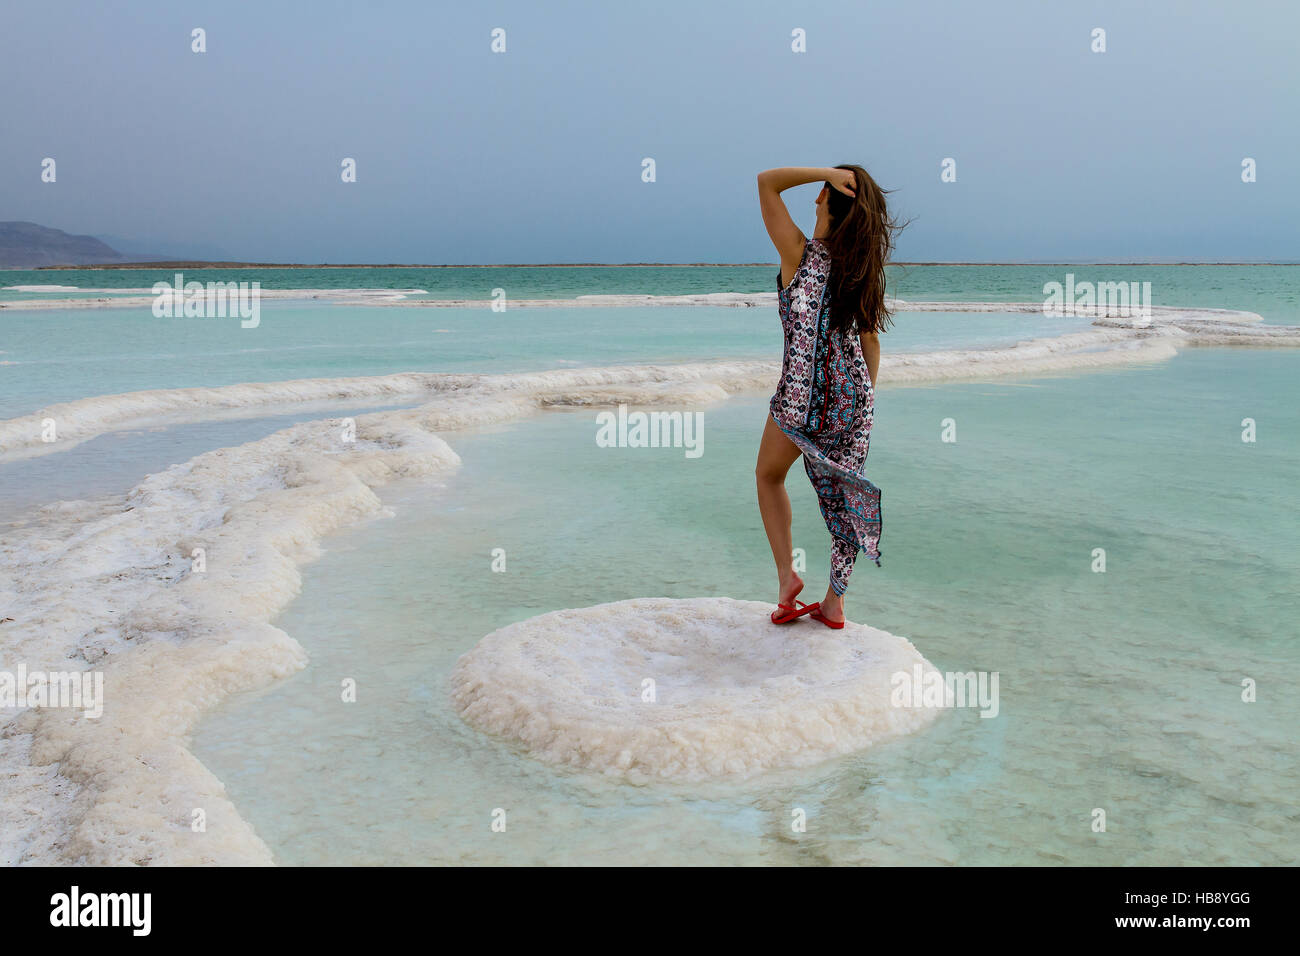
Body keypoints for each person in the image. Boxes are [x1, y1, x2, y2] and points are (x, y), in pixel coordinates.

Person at [755, 165, 900, 628]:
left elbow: (767, 181)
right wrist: (862, 405)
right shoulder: (859, 269)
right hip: (852, 396)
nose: (814, 198)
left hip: (802, 396)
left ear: (830, 202)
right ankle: (835, 601)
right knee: (845, 492)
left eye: (821, 193)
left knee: (768, 476)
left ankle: (786, 580)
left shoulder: (798, 253)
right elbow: (870, 344)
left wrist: (824, 171)